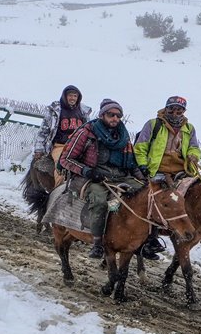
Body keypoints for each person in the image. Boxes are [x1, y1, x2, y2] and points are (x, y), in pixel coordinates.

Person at [134, 95, 201, 259]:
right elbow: (140, 147)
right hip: (157, 169)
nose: (175, 113)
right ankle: (151, 238)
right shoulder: (153, 124)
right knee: (156, 199)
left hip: (181, 170)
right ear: (166, 109)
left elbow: (194, 148)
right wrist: (143, 166)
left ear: (184, 111)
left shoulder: (189, 128)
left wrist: (193, 155)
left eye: (179, 110)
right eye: (172, 109)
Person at [58, 99, 145, 259]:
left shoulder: (123, 135)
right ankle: (98, 243)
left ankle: (147, 240)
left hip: (120, 176)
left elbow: (132, 164)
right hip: (94, 177)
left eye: (118, 116)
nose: (115, 119)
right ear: (102, 114)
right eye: (111, 115)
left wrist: (143, 180)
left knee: (147, 197)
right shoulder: (87, 132)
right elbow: (65, 159)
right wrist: (87, 171)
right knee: (99, 201)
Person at [33, 85, 91, 185]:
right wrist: (39, 149)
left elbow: (89, 131)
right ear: (65, 96)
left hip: (79, 147)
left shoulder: (83, 112)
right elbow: (43, 131)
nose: (72, 98)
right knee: (62, 167)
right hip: (61, 146)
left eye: (75, 96)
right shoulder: (55, 111)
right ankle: (58, 192)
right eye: (70, 95)